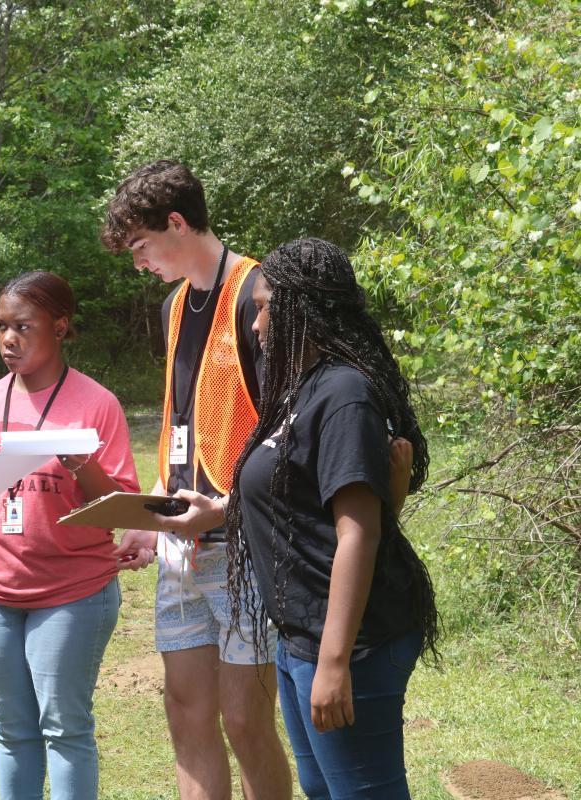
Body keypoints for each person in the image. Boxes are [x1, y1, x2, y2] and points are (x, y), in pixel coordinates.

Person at [101, 160, 292, 800]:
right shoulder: (172, 307)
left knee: (244, 719)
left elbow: (290, 429)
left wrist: (230, 508)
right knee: (186, 715)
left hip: (244, 542)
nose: (138, 263)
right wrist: (155, 525)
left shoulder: (260, 292)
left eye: (141, 247)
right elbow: (183, 416)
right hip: (182, 543)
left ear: (176, 223)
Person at [224, 238, 438, 800]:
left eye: (266, 305)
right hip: (300, 639)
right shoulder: (298, 388)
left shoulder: (344, 394)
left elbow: (358, 532)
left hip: (352, 644)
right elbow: (304, 504)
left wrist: (335, 663)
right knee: (322, 790)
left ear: (302, 308)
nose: (257, 323)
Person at [0, 270, 140, 800]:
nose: (8, 338)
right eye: (1, 326)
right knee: (13, 731)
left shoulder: (97, 404)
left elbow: (117, 507)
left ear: (60, 327)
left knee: (64, 730)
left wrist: (81, 464)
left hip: (71, 593)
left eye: (23, 326)